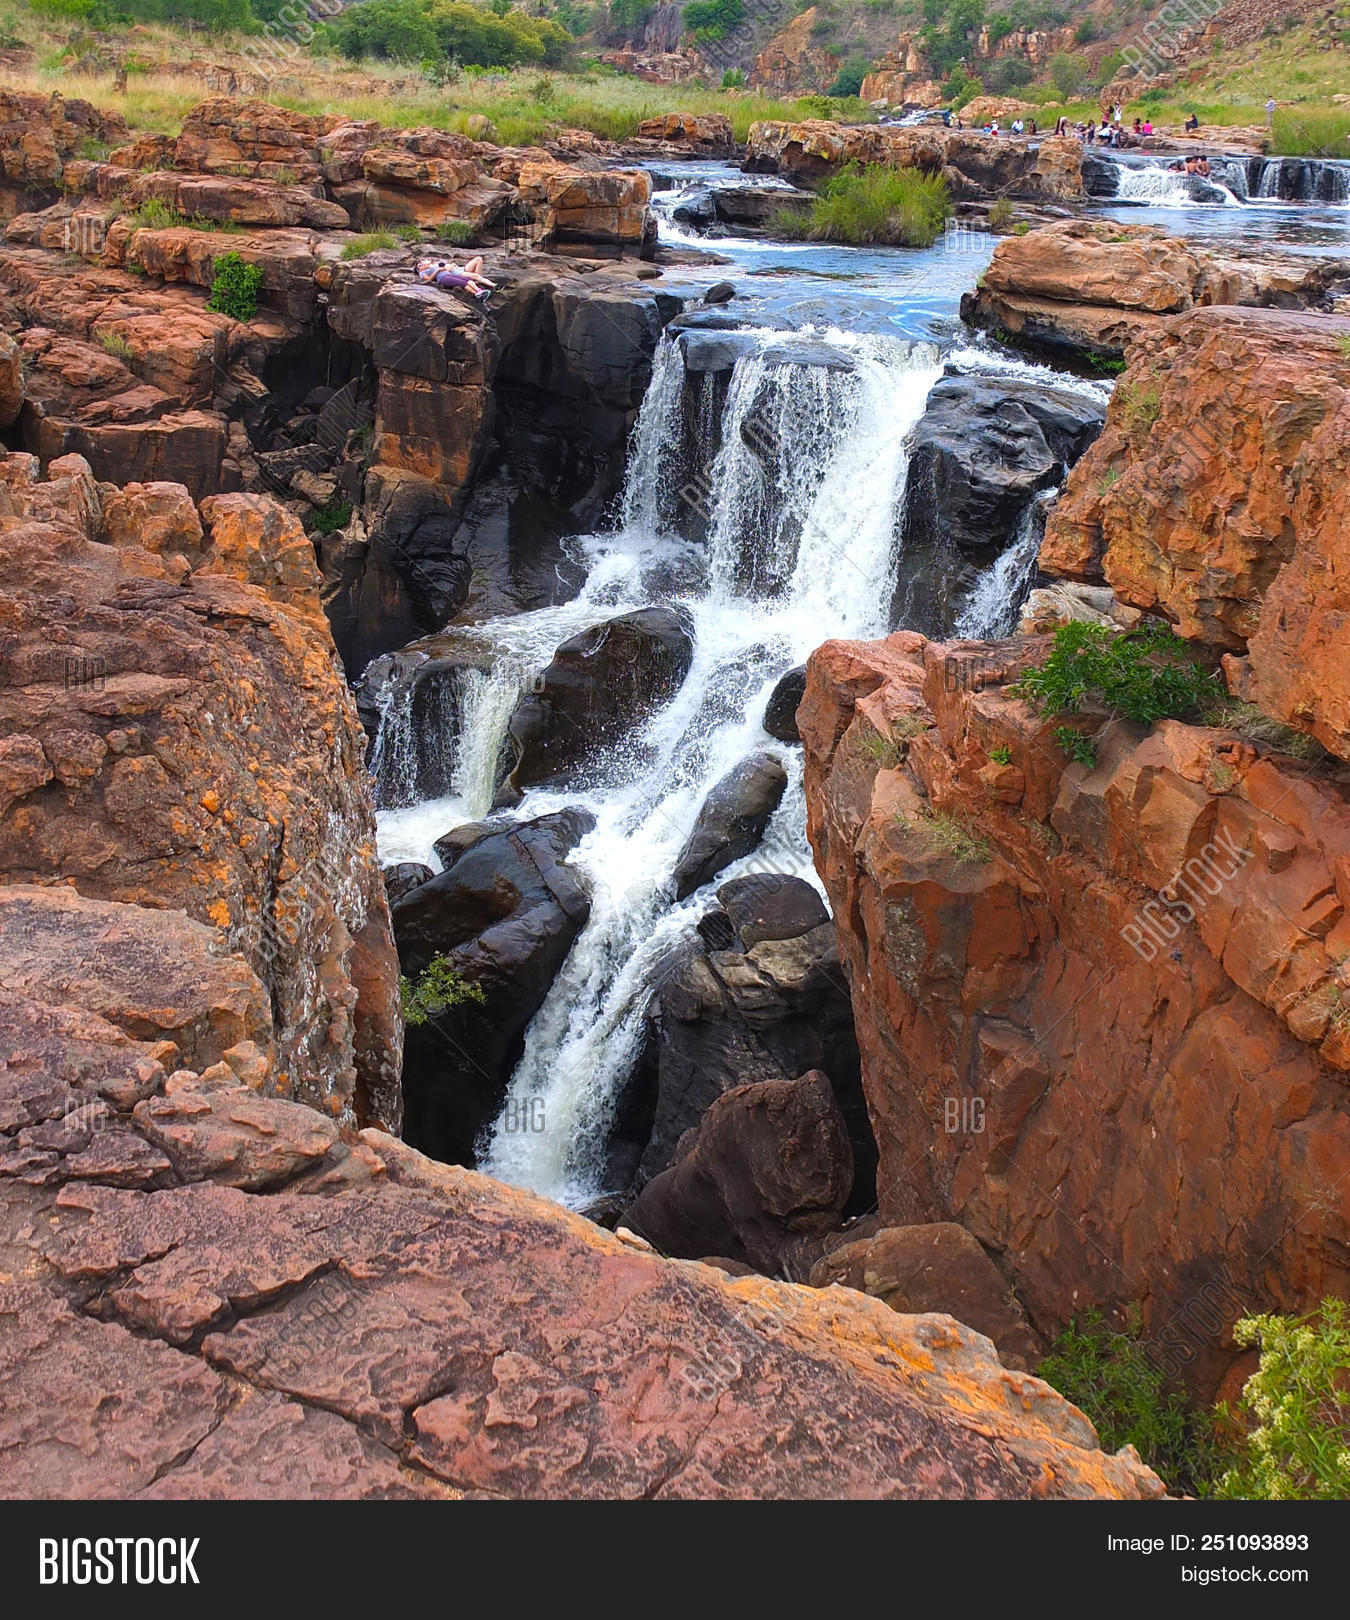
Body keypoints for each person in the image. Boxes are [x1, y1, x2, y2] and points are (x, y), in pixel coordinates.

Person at [416, 255, 496, 299]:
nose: (422, 265)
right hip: (443, 278)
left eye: (421, 263)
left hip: (450, 274)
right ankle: (476, 293)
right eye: (419, 265)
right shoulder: (422, 272)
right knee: (462, 282)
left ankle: (479, 290)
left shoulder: (433, 266)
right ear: (418, 269)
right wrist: (437, 271)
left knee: (467, 279)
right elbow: (428, 280)